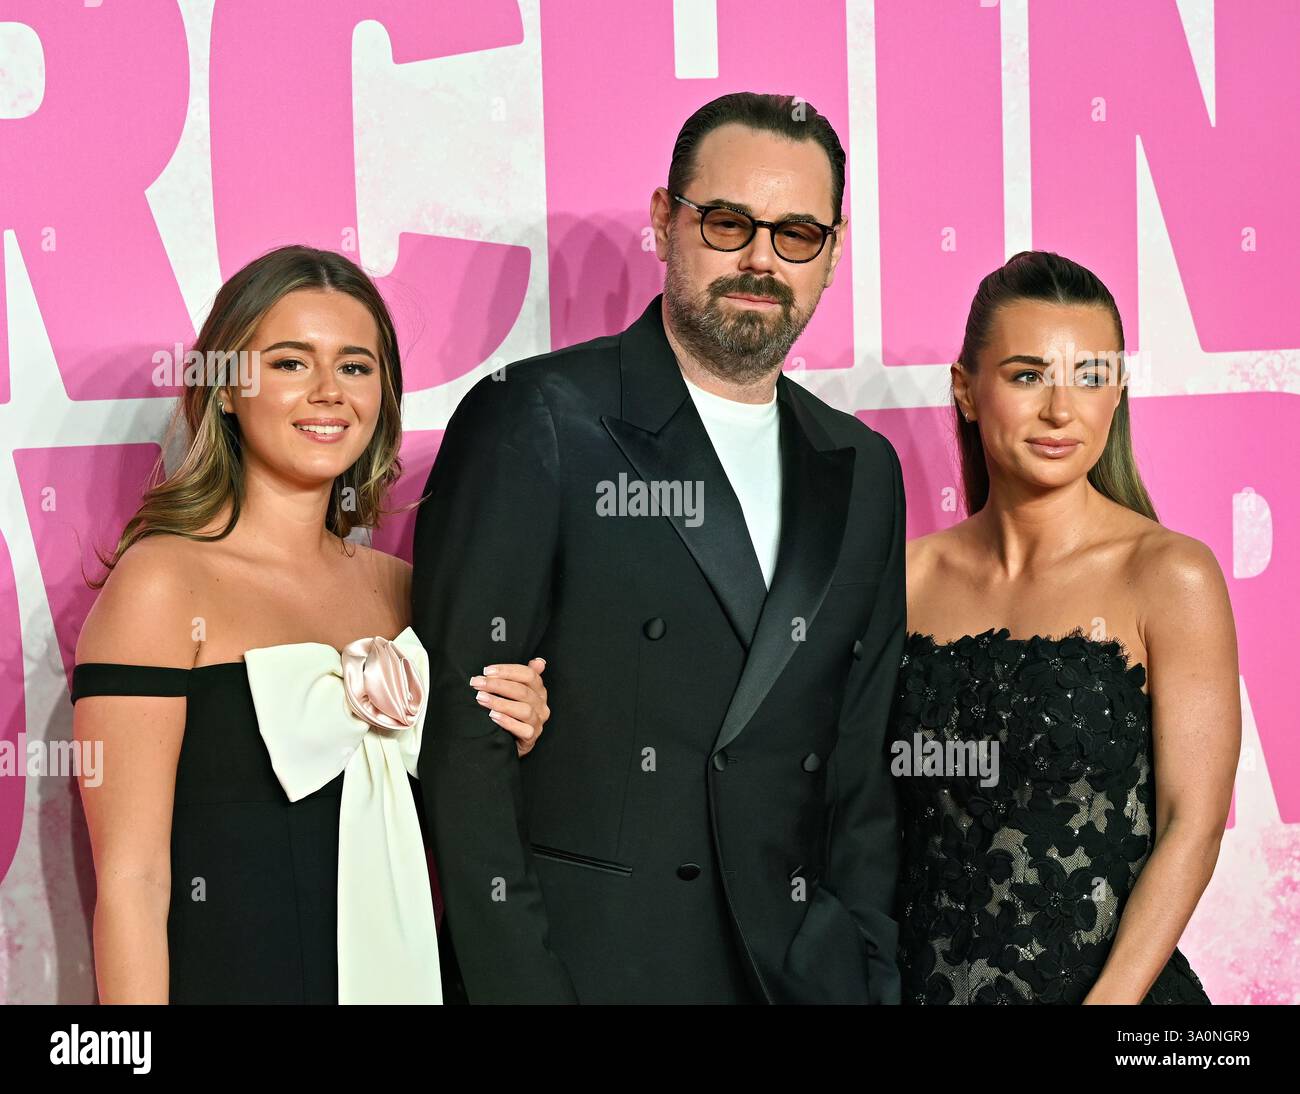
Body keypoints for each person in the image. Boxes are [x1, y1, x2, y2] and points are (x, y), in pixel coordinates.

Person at [414, 92, 904, 1004]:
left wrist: (865, 967)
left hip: (795, 978)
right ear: (664, 222)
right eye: (728, 222)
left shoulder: (864, 469)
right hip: (592, 970)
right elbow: (464, 745)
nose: (762, 258)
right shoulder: (540, 416)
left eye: (797, 233)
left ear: (834, 252)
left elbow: (859, 763)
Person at [71, 245, 549, 1004]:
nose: (329, 392)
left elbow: (469, 842)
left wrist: (517, 730)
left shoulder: (412, 596)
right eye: (291, 363)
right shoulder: (163, 584)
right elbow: (132, 879)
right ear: (225, 390)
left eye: (355, 367)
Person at [891, 250, 1239, 1004]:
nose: (1061, 410)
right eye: (1026, 375)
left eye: (1090, 377)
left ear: (1116, 393)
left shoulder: (1169, 574)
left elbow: (1193, 824)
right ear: (966, 390)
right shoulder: (905, 580)